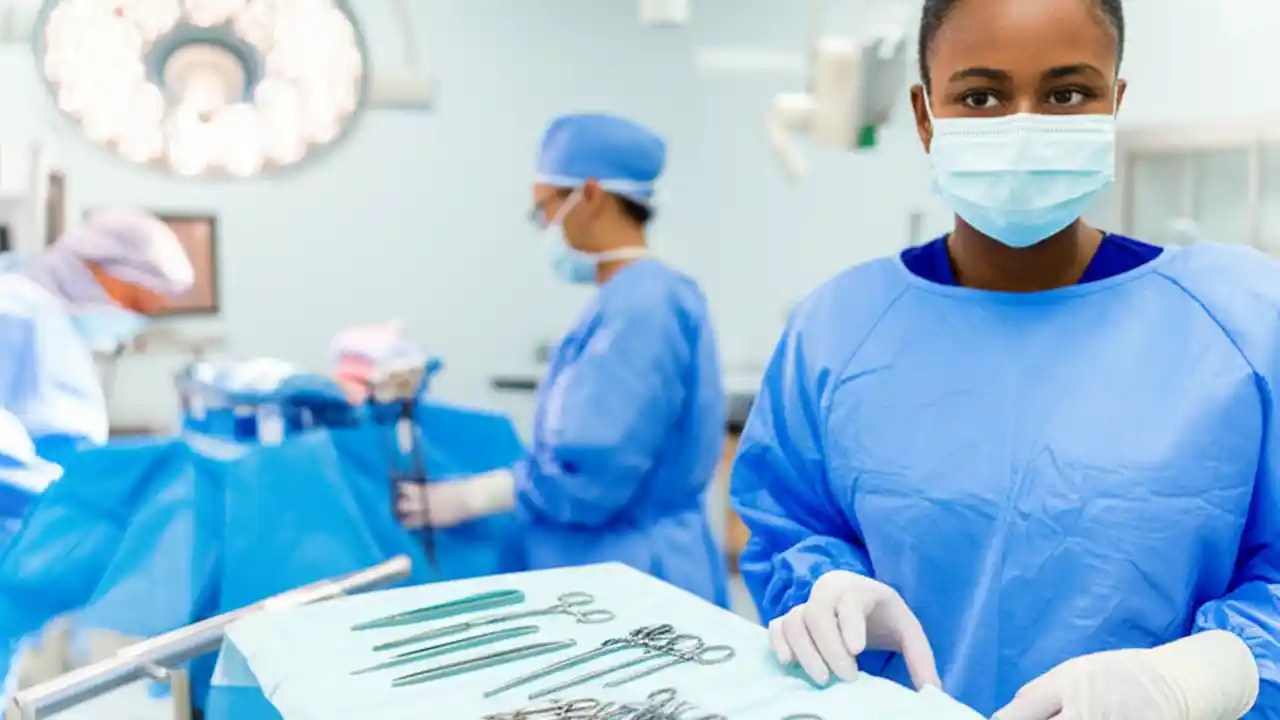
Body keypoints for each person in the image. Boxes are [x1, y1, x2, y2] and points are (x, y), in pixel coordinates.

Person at [730, 0, 1278, 717]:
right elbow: (793, 527)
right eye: (981, 96)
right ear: (926, 116)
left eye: (1065, 94)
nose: (1024, 125)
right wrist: (824, 588)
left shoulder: (1243, 318)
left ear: (1113, 104)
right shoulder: (838, 328)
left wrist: (1212, 672)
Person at [400, 113, 730, 606]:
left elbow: (595, 474)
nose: (547, 226)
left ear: (591, 195)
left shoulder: (643, 308)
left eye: (546, 208)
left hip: (635, 581)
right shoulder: (636, 298)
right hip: (630, 569)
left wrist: (474, 497)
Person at [0, 208, 193, 448]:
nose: (134, 317)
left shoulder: (56, 326)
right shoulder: (16, 312)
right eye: (134, 302)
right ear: (93, 266)